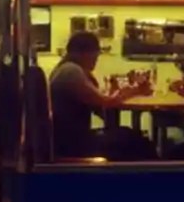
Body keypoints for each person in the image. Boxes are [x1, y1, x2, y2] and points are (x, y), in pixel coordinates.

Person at [49, 31, 155, 161]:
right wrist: (137, 91)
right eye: (95, 56)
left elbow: (100, 108)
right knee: (137, 141)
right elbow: (106, 103)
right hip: (75, 144)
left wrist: (114, 91)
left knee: (128, 134)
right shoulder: (70, 72)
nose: (96, 61)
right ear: (83, 53)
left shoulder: (65, 69)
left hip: (69, 140)